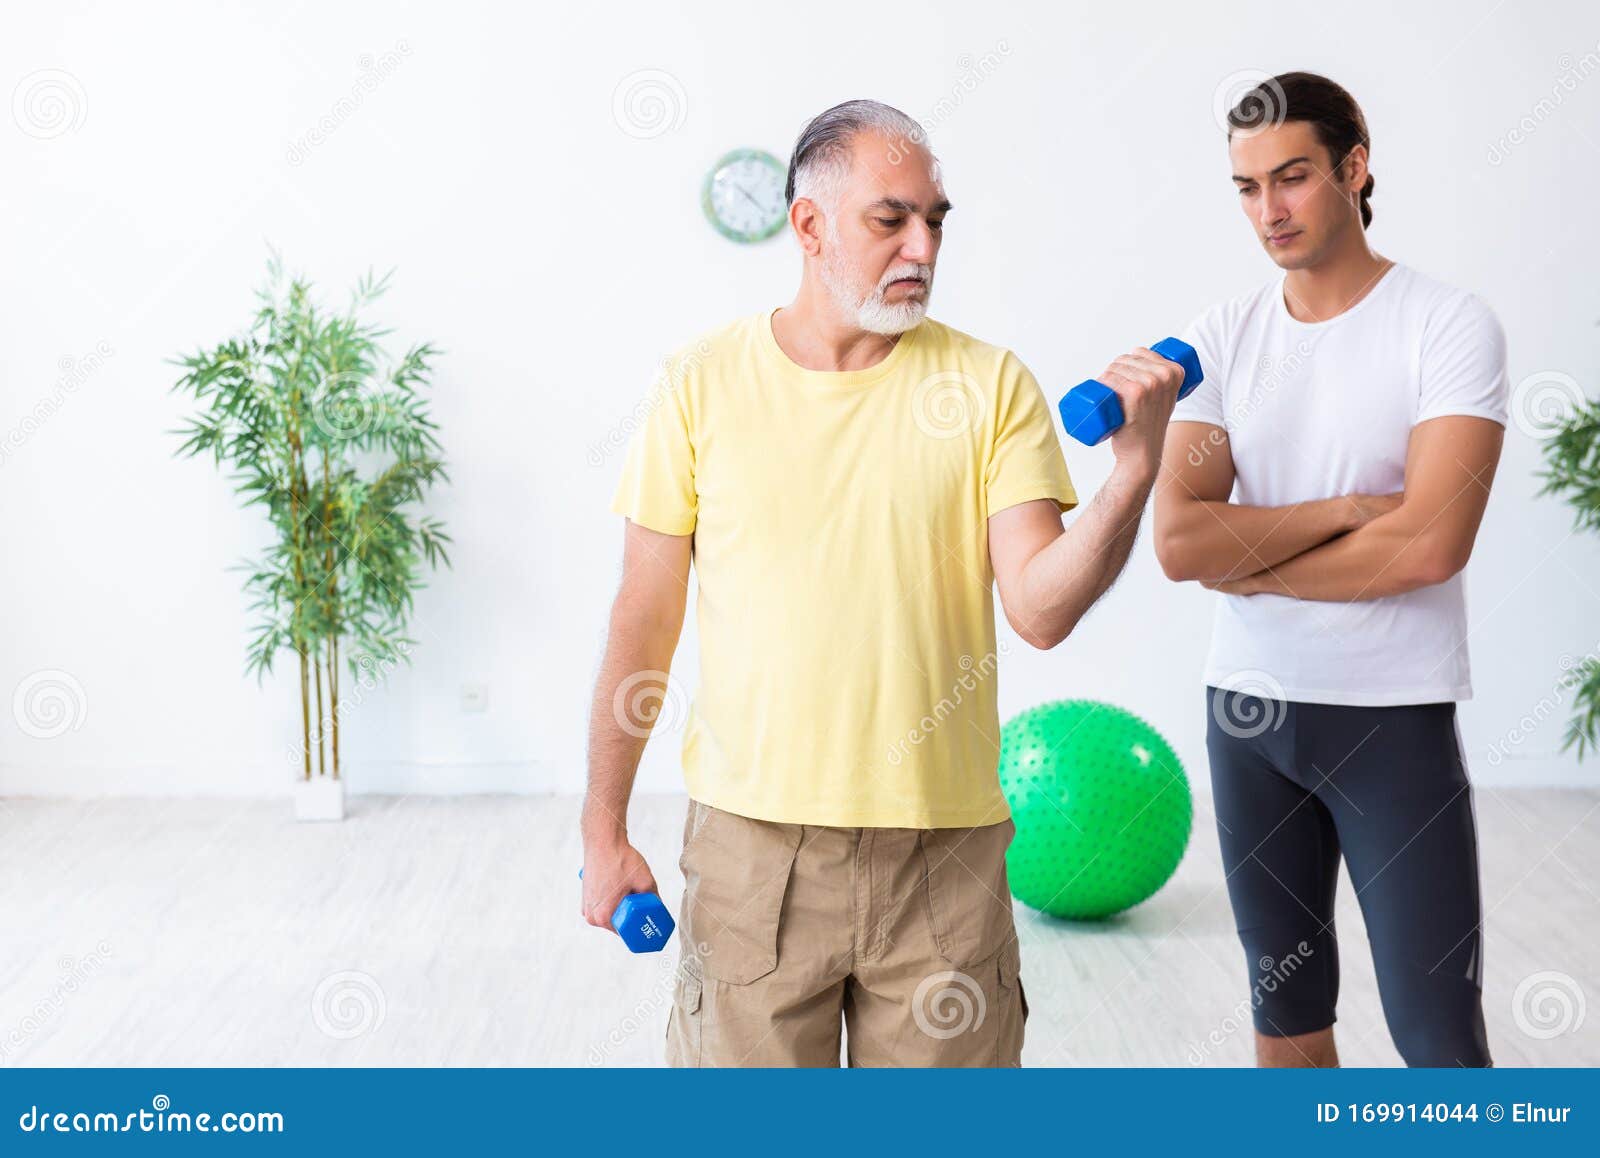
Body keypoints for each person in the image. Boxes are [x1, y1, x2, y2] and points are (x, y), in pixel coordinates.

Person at [582, 99, 1186, 1066]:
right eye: (890, 218)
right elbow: (643, 617)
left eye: (936, 220)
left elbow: (1038, 609)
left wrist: (1132, 475)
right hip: (753, 858)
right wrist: (602, 828)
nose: (922, 246)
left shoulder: (991, 385)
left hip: (943, 863)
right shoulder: (699, 383)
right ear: (809, 226)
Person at [1153, 72, 1507, 1067]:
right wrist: (1349, 515)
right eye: (1247, 187)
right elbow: (1180, 543)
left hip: (1390, 722)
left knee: (1436, 1038)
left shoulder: (1444, 324)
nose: (1269, 210)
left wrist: (1253, 562)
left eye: (1293, 177)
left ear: (1354, 169)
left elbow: (1429, 546)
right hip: (1247, 719)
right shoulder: (1220, 337)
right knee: (1286, 1020)